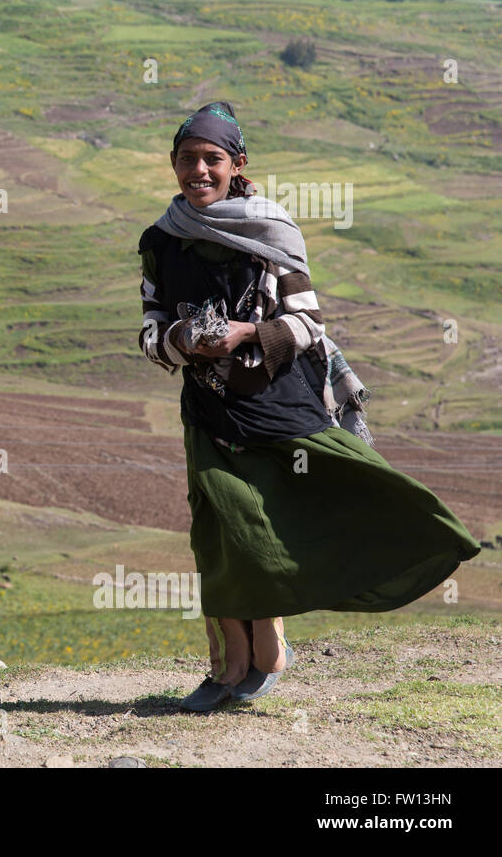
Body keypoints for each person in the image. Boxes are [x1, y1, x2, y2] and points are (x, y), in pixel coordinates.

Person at [137, 101, 480, 712]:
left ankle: (265, 657)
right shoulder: (162, 240)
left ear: (237, 164)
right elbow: (149, 330)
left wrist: (247, 335)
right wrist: (182, 342)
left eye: (212, 159)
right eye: (187, 160)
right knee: (215, 536)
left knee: (261, 537)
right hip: (208, 414)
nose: (198, 171)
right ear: (172, 165)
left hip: (279, 410)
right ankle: (225, 670)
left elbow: (308, 324)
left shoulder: (271, 234)